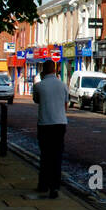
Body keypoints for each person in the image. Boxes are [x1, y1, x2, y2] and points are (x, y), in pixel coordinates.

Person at [32, 59, 68, 198]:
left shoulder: (38, 86)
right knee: (57, 156)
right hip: (60, 124)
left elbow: (37, 100)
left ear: (43, 71)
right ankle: (55, 187)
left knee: (45, 155)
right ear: (55, 70)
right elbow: (65, 106)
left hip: (45, 124)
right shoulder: (63, 85)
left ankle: (43, 184)